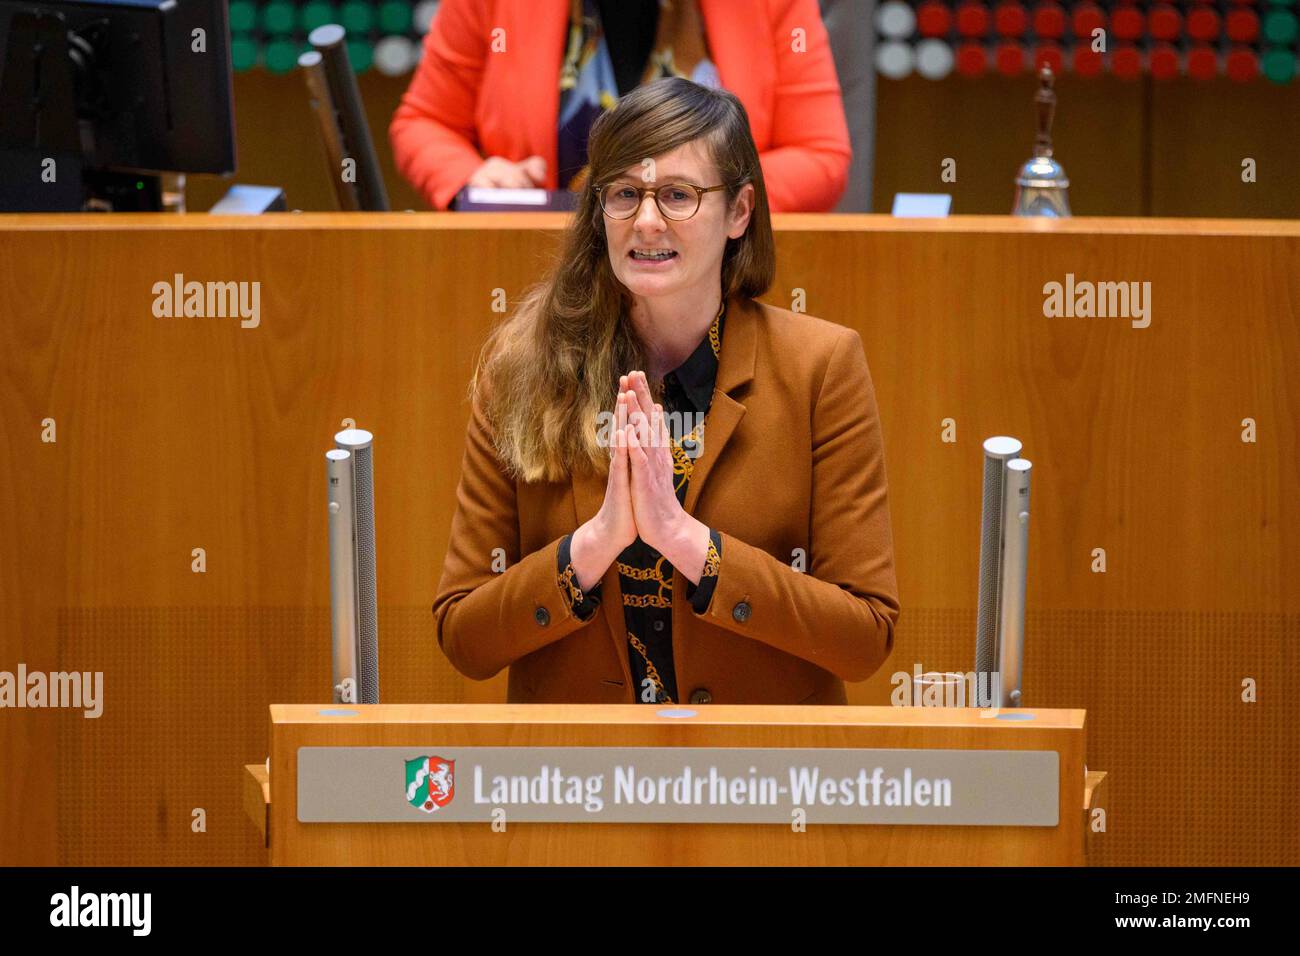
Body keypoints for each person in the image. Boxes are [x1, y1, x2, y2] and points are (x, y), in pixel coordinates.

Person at [432, 77, 898, 705]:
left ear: (739, 211)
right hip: (577, 785)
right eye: (624, 194)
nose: (647, 222)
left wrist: (690, 544)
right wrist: (592, 547)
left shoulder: (822, 369)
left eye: (678, 195)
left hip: (758, 785)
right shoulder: (522, 370)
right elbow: (465, 636)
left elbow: (864, 639)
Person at [390, 0, 851, 212]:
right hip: (534, 288)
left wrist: (702, 196)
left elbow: (819, 156)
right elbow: (424, 124)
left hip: (716, 296)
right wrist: (473, 179)